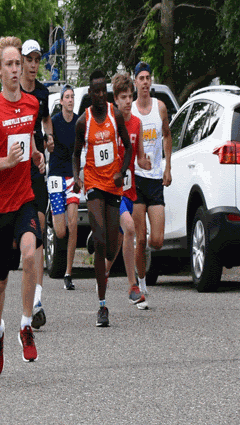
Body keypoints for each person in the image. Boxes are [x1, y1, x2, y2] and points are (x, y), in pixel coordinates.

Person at [0, 36, 43, 372]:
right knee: (0, 279)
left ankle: (26, 325)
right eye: (10, 65)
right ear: (0, 70)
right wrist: (7, 162)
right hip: (0, 206)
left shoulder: (31, 104)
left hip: (25, 199)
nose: (16, 70)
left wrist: (36, 154)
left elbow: (27, 140)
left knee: (30, 253)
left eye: (19, 64)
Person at [72, 70, 133, 328]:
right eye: (95, 91)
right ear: (89, 94)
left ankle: (99, 238)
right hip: (94, 183)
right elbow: (76, 154)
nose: (99, 95)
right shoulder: (83, 122)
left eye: (103, 91)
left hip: (113, 184)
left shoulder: (114, 114)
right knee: (100, 241)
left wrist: (122, 171)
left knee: (109, 248)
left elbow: (128, 146)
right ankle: (102, 305)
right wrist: (77, 177)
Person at [105, 74, 150, 308]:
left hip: (130, 190)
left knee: (120, 240)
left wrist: (145, 163)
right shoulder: (109, 123)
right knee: (130, 229)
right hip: (113, 191)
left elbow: (139, 157)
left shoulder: (137, 124)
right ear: (115, 99)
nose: (128, 101)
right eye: (123, 97)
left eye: (130, 97)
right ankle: (133, 287)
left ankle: (102, 275)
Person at [130, 61, 172, 298]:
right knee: (141, 237)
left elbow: (167, 135)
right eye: (141, 78)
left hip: (155, 178)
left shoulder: (160, 108)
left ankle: (142, 260)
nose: (145, 82)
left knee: (156, 241)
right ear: (135, 82)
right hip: (136, 179)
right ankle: (142, 284)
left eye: (148, 78)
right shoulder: (131, 110)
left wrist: (168, 166)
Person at [20, 39, 53, 329]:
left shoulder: (42, 92)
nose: (32, 65)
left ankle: (38, 297)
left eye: (36, 59)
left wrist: (49, 137)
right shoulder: (15, 91)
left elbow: (45, 122)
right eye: (28, 59)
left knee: (39, 225)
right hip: (16, 163)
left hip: (37, 162)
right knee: (23, 228)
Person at [46, 85, 78, 290]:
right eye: (67, 97)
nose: (70, 100)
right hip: (56, 176)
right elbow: (46, 143)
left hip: (72, 176)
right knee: (61, 231)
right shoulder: (55, 121)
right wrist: (47, 144)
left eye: (72, 97)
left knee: (73, 225)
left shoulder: (78, 121)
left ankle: (68, 272)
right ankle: (51, 221)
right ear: (61, 102)